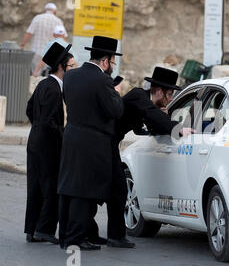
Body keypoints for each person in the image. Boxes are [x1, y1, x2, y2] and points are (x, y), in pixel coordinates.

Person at [103, 67, 193, 248]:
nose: (170, 100)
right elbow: (151, 115)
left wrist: (164, 117)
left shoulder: (149, 104)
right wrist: (178, 127)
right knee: (112, 188)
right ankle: (109, 235)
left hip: (110, 143)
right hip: (101, 143)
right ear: (159, 91)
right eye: (169, 95)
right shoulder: (139, 96)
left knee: (116, 189)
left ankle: (115, 236)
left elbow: (152, 125)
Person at [57, 36, 124, 251]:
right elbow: (115, 111)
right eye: (112, 62)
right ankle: (76, 239)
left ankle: (67, 235)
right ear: (105, 60)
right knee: (84, 191)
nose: (112, 67)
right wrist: (116, 95)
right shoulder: (103, 81)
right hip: (92, 142)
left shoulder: (71, 76)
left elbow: (71, 101)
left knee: (69, 187)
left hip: (71, 135)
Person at [24, 42, 75, 243]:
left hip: (35, 142)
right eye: (72, 66)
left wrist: (36, 128)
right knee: (50, 188)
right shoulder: (54, 89)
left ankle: (32, 229)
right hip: (48, 146)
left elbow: (30, 109)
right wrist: (63, 137)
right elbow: (49, 122)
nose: (74, 70)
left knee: (35, 187)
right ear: (61, 67)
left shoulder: (44, 84)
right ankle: (44, 230)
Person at [20, 3, 67, 74]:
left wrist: (22, 44)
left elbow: (29, 33)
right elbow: (63, 37)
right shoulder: (58, 21)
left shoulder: (38, 18)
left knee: (35, 73)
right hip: (52, 52)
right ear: (54, 11)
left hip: (37, 51)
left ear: (45, 10)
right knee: (47, 74)